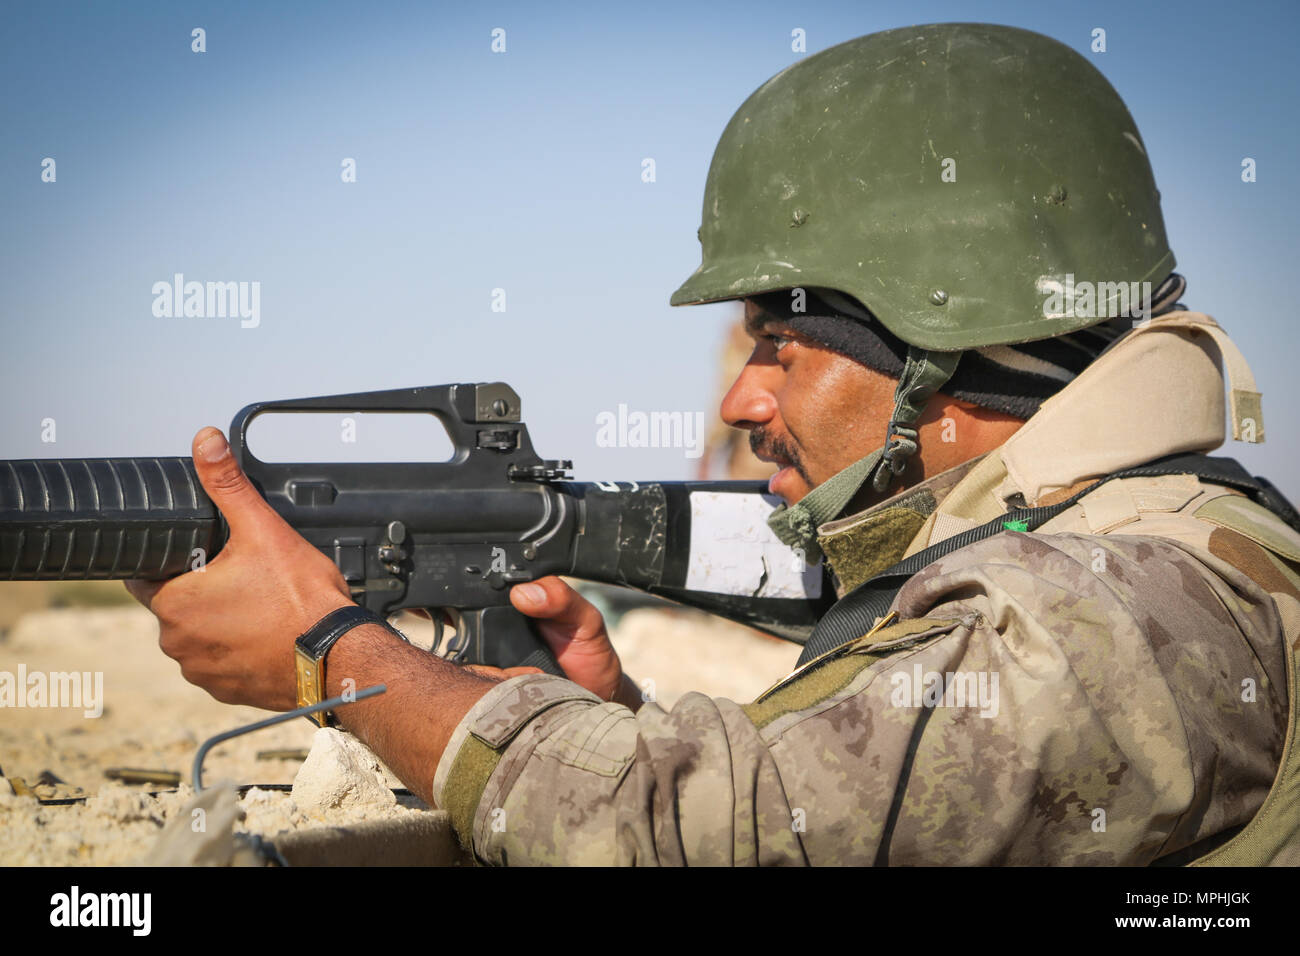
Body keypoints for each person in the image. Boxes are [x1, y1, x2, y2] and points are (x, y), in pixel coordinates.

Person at [127, 23, 1300, 865]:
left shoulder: (1106, 609)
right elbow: (861, 794)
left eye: (780, 348)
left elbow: (726, 834)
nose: (738, 401)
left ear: (946, 341)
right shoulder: (1092, 544)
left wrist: (332, 652)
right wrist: (596, 717)